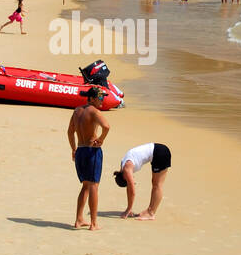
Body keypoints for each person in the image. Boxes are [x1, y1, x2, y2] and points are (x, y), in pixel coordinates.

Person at [68, 86, 110, 230]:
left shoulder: (77, 111)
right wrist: (101, 139)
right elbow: (106, 126)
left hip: (80, 151)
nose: (102, 100)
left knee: (85, 186)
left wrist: (73, 149)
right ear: (91, 98)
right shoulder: (94, 111)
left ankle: (79, 219)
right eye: (100, 97)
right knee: (93, 186)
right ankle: (94, 223)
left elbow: (70, 132)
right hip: (92, 151)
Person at [114, 142, 172, 220]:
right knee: (155, 183)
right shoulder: (123, 165)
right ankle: (150, 211)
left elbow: (132, 191)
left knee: (157, 185)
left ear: (124, 177)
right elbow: (129, 187)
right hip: (158, 150)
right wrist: (129, 207)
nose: (132, 178)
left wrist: (128, 209)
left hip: (159, 153)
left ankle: (151, 213)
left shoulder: (126, 169)